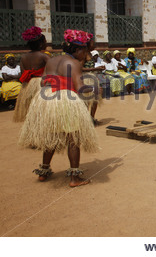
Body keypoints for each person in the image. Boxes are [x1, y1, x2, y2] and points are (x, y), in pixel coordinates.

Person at [18, 29, 98, 187]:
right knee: (73, 139)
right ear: (77, 50)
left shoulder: (52, 60)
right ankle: (74, 178)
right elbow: (81, 88)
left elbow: (42, 82)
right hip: (64, 101)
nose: (86, 55)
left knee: (52, 137)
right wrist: (94, 89)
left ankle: (44, 172)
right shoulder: (74, 63)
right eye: (85, 51)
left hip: (46, 100)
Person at [13, 26, 50, 121]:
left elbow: (22, 74)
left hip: (27, 86)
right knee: (43, 110)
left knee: (30, 109)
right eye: (45, 41)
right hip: (41, 85)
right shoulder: (44, 56)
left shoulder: (23, 57)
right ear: (41, 44)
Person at [82, 46, 107, 124]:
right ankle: (85, 120)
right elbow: (81, 68)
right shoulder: (83, 54)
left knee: (95, 99)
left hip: (93, 78)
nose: (94, 44)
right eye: (92, 43)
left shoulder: (89, 53)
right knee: (87, 100)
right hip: (86, 78)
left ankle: (92, 118)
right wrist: (95, 69)